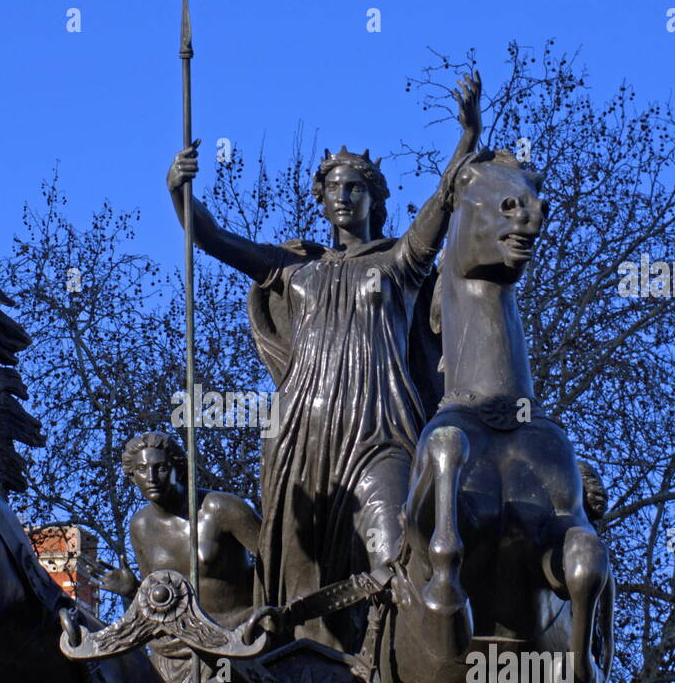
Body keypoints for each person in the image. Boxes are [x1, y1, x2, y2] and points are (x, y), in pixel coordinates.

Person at [166, 73, 482, 650]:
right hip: (302, 438)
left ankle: (423, 673)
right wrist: (179, 192)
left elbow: (442, 208)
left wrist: (466, 139)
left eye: (356, 187)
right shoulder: (293, 268)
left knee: (396, 549)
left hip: (380, 428)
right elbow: (211, 238)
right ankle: (312, 667)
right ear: (321, 197)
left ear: (374, 198)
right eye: (334, 187)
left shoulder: (399, 263)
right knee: (298, 580)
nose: (343, 196)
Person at [82, 431, 260, 683]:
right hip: (176, 650)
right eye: (141, 470)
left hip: (235, 639)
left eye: (161, 468)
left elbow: (276, 560)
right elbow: (161, 598)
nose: (151, 478)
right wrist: (133, 590)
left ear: (178, 468)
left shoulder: (221, 508)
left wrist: (265, 615)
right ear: (132, 477)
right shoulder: (140, 527)